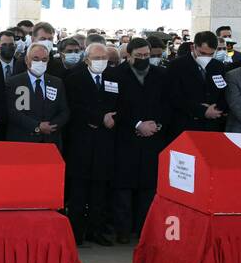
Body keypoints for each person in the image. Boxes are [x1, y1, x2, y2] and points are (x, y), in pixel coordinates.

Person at [112, 37, 169, 243]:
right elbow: (115, 106)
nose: (144, 59)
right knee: (123, 187)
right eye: (139, 56)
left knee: (149, 186)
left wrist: (156, 125)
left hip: (153, 137)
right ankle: (123, 231)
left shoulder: (161, 75)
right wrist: (137, 124)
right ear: (129, 56)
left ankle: (145, 229)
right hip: (127, 137)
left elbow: (168, 104)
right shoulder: (116, 75)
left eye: (147, 55)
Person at [64, 42, 119, 246]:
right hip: (82, 142)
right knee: (79, 191)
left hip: (105, 142)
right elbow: (74, 107)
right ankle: (76, 233)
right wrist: (98, 118)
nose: (101, 62)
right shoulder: (74, 80)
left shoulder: (114, 78)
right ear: (87, 59)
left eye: (104, 58)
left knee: (99, 191)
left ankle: (95, 230)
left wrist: (112, 118)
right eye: (97, 58)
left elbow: (121, 104)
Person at [5, 42, 69, 150]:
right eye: (35, 58)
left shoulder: (57, 83)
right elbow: (13, 112)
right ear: (26, 60)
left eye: (44, 59)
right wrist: (37, 126)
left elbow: (64, 111)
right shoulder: (14, 82)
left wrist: (51, 126)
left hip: (50, 141)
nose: (40, 62)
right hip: (23, 142)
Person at [164, 30, 228, 136]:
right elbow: (173, 96)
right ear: (193, 48)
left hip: (212, 125)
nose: (206, 57)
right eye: (202, 53)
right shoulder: (176, 66)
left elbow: (223, 91)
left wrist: (218, 109)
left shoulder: (218, 66)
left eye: (211, 54)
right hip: (186, 125)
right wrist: (202, 110)